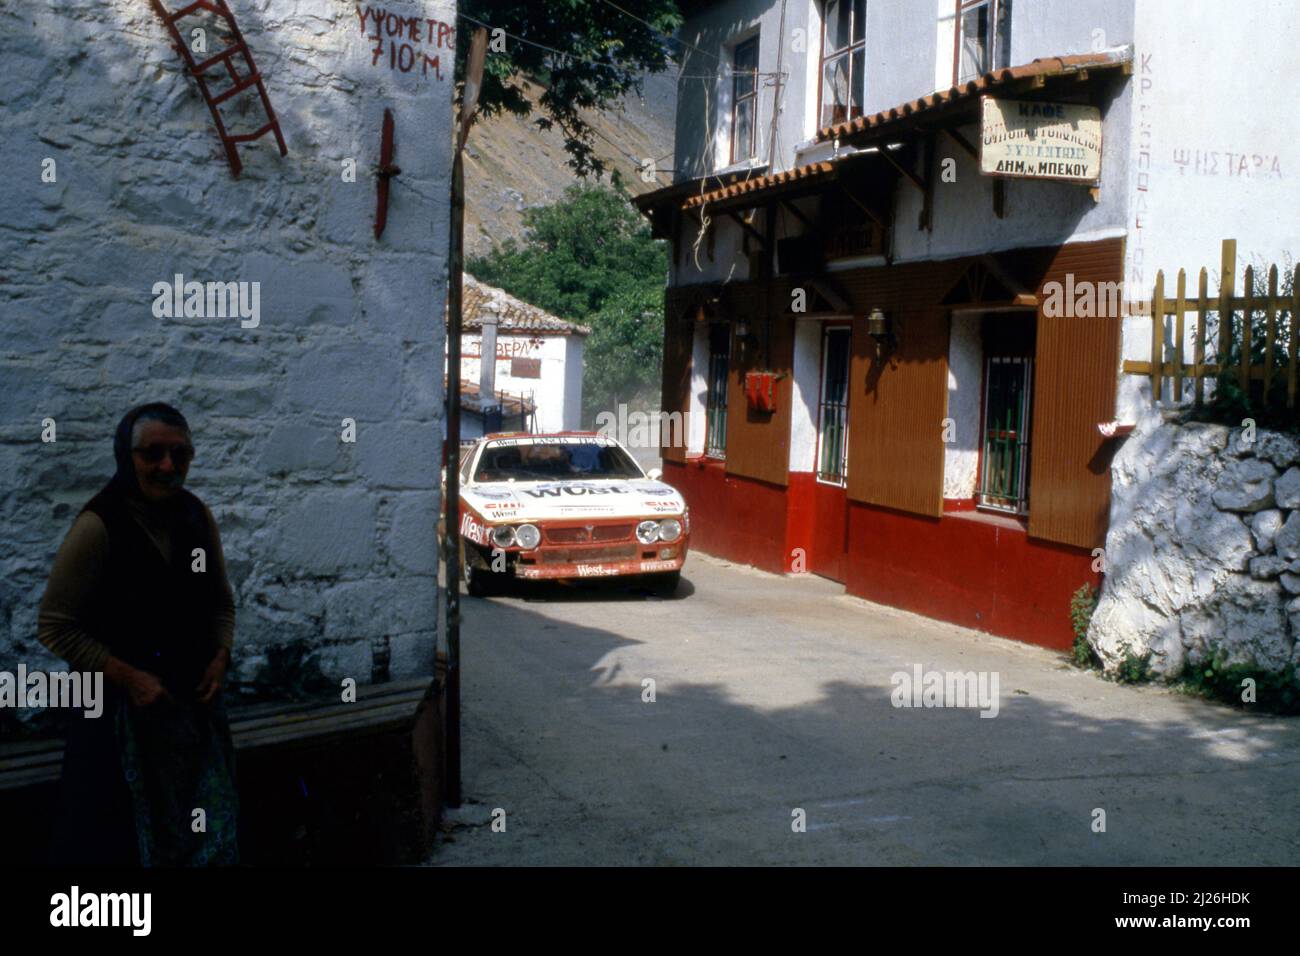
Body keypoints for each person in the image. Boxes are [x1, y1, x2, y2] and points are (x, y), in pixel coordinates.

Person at [38, 402, 239, 866]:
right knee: (115, 842)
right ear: (125, 457)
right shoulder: (98, 527)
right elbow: (54, 626)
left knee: (196, 836)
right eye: (153, 453)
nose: (167, 466)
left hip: (188, 715)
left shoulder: (196, 517)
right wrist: (128, 676)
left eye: (180, 455)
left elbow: (219, 602)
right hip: (115, 719)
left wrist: (220, 655)